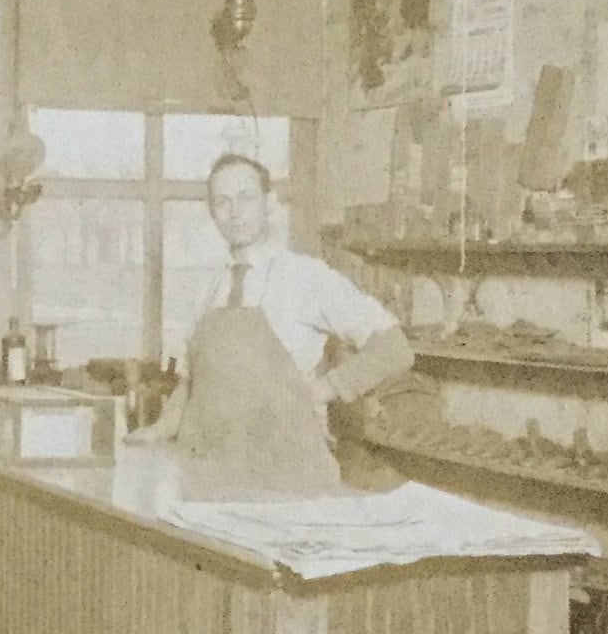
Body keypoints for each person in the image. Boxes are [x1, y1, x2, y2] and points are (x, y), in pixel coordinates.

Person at [139, 151, 412, 442]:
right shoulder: (208, 290)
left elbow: (394, 349)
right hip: (217, 455)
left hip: (289, 455)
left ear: (268, 203)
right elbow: (192, 382)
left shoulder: (306, 277)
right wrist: (159, 430)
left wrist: (318, 392)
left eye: (246, 198)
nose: (235, 211)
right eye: (222, 201)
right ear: (212, 212)